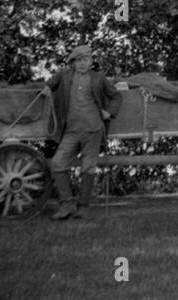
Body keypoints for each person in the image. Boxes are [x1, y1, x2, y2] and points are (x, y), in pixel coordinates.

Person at [46, 44, 123, 219]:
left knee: (88, 167)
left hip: (93, 129)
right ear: (72, 62)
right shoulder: (65, 77)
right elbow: (51, 83)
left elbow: (116, 96)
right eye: (78, 60)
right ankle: (67, 205)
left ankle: (83, 207)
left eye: (86, 60)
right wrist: (47, 88)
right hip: (71, 131)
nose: (82, 63)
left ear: (91, 62)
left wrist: (109, 112)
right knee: (58, 163)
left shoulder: (98, 78)